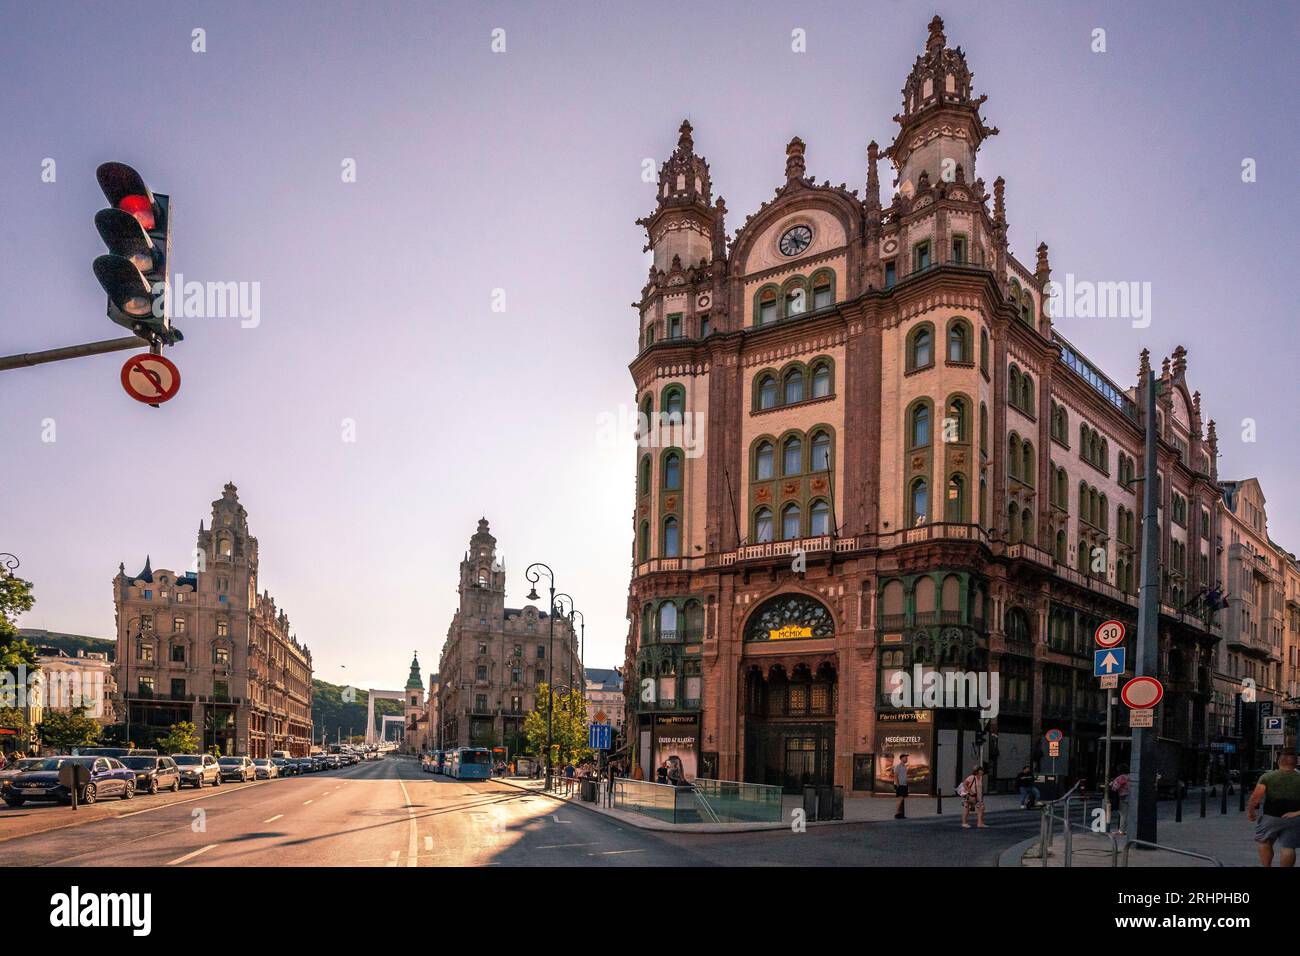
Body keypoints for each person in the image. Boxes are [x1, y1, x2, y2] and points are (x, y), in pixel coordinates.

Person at [1247, 750, 1300, 867]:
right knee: (1288, 847)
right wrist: (1297, 813)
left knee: (1265, 841)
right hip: (1294, 819)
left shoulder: (1267, 777)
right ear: (1296, 763)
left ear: (1278, 761)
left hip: (1270, 817)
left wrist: (1251, 812)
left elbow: (1256, 797)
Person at [1108, 765, 1131, 835]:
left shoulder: (1121, 777)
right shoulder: (1130, 776)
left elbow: (1114, 788)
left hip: (1123, 797)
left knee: (1123, 814)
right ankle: (1128, 829)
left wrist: (1111, 784)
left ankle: (1122, 830)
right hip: (1132, 796)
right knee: (1130, 813)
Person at [892, 753, 909, 819]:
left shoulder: (904, 766)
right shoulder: (897, 766)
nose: (906, 759)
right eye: (905, 758)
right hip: (900, 785)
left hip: (904, 785)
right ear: (901, 758)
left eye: (907, 758)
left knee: (902, 799)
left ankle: (900, 814)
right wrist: (898, 785)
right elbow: (895, 776)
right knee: (900, 799)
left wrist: (906, 783)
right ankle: (896, 813)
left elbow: (904, 776)